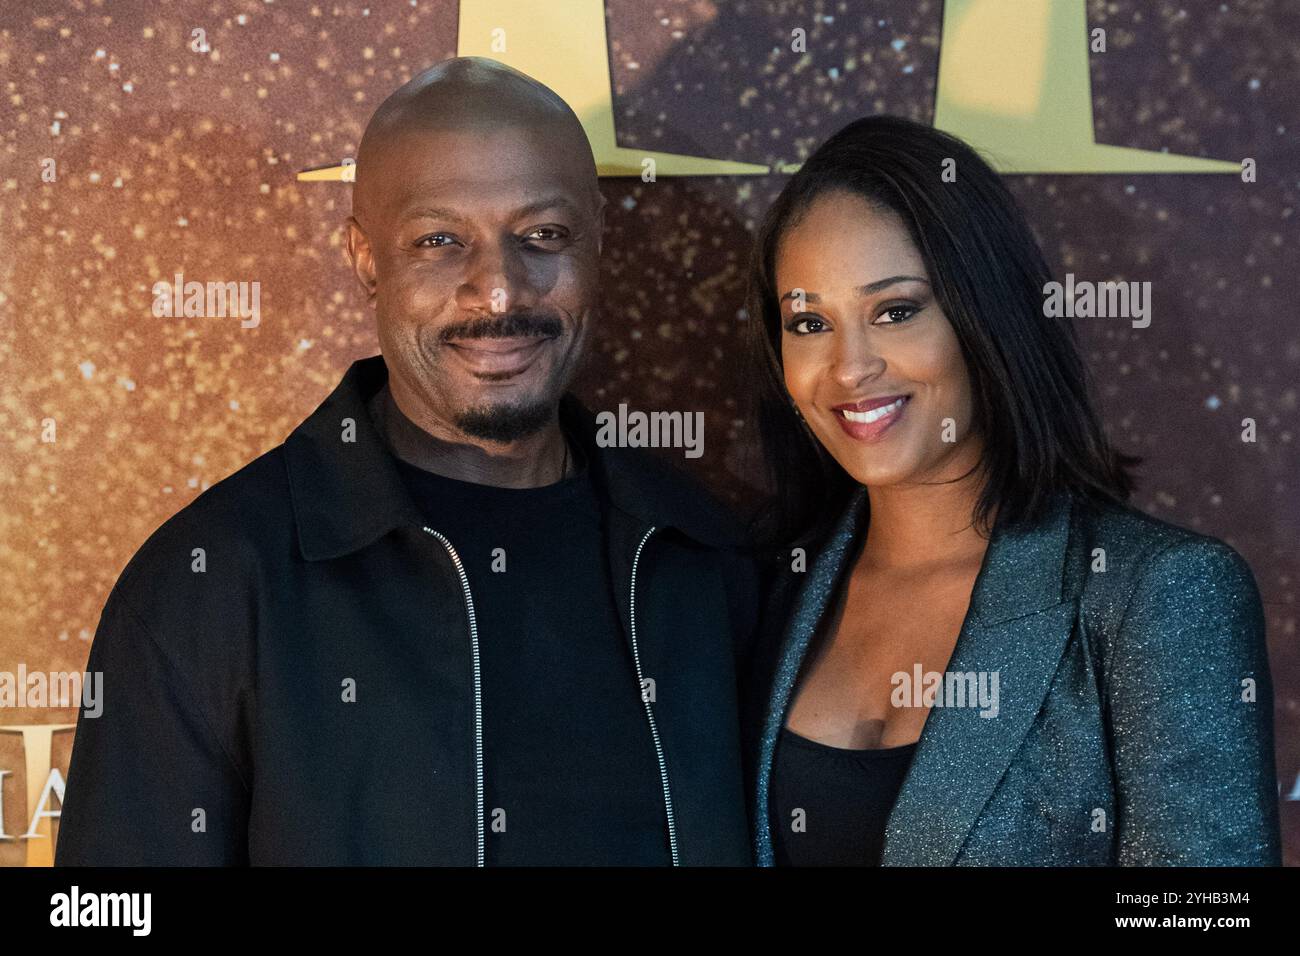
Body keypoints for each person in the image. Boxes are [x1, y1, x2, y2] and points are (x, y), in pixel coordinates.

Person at [56, 57, 757, 866]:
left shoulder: (703, 557)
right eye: (439, 241)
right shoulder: (211, 579)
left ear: (598, 238)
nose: (498, 291)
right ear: (363, 260)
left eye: (543, 235)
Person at [741, 115, 1282, 866]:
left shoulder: (1157, 595)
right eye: (808, 322)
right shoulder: (765, 591)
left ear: (984, 315)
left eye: (895, 311)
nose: (849, 366)